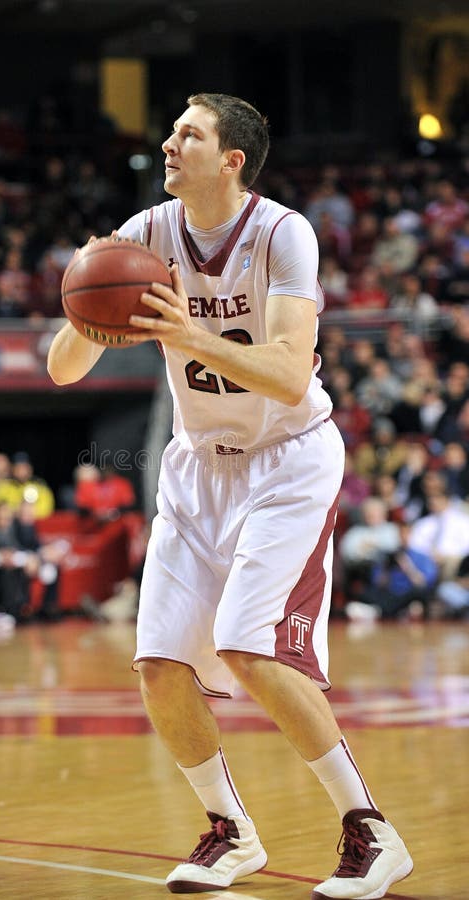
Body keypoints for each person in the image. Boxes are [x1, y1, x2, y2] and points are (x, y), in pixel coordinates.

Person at [47, 93, 412, 899]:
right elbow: (63, 371)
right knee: (158, 664)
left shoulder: (285, 233)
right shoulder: (144, 234)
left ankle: (371, 834)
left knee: (250, 647)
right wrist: (88, 298)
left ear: (232, 158)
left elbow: (287, 375)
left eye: (189, 135)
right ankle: (230, 832)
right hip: (198, 467)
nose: (170, 145)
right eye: (174, 133)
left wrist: (182, 333)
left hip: (287, 461)